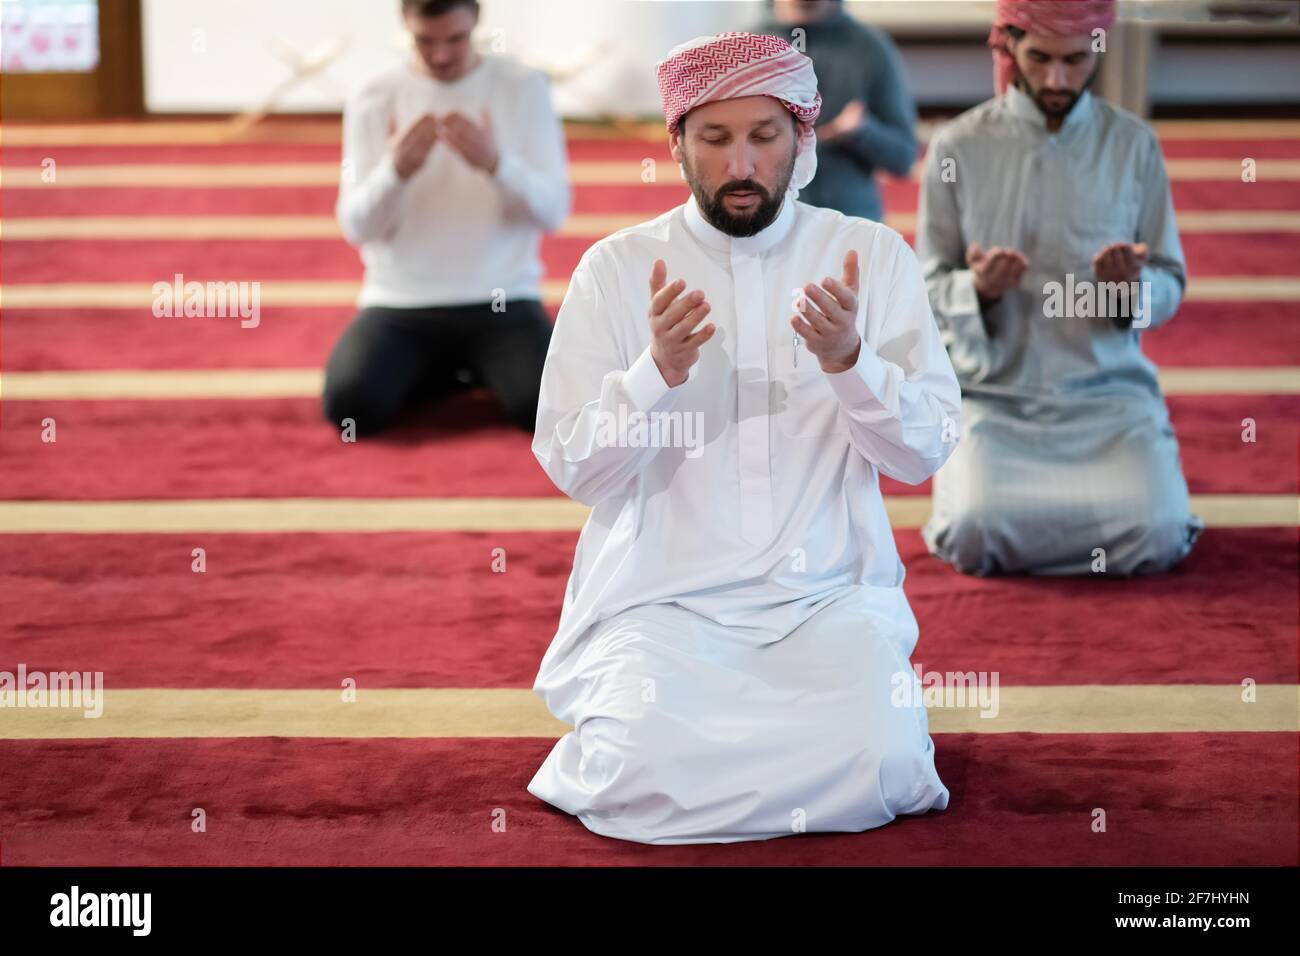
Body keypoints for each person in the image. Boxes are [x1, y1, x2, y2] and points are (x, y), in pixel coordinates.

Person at [526, 32, 961, 844]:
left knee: (888, 761)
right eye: (714, 139)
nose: (741, 164)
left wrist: (850, 361)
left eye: (765, 136)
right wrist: (656, 371)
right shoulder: (618, 270)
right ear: (677, 143)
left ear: (803, 140)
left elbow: (924, 451)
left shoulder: (867, 256)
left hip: (825, 599)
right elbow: (574, 468)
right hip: (661, 603)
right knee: (635, 774)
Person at [917, 0, 1203, 575]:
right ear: (1009, 47)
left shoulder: (1133, 146)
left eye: (1075, 60)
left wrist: (1133, 287)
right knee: (973, 532)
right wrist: (980, 289)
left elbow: (1170, 280)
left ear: (1097, 50)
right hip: (994, 400)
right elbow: (926, 286)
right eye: (1040, 58)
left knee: (1159, 531)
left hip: (1108, 401)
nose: (1056, 79)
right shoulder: (957, 148)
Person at [322, 0, 570, 435]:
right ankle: (464, 369)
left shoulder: (523, 85)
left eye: (455, 39)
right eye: (425, 41)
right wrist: (395, 171)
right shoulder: (373, 94)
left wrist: (496, 164)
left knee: (544, 411)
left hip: (503, 298)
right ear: (405, 22)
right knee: (352, 408)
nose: (440, 55)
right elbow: (356, 227)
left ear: (476, 18)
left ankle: (452, 370)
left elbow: (553, 213)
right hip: (400, 302)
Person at [750, 0, 918, 221]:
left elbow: (903, 157)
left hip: (851, 225)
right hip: (766, 226)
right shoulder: (747, 48)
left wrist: (862, 132)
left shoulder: (871, 47)